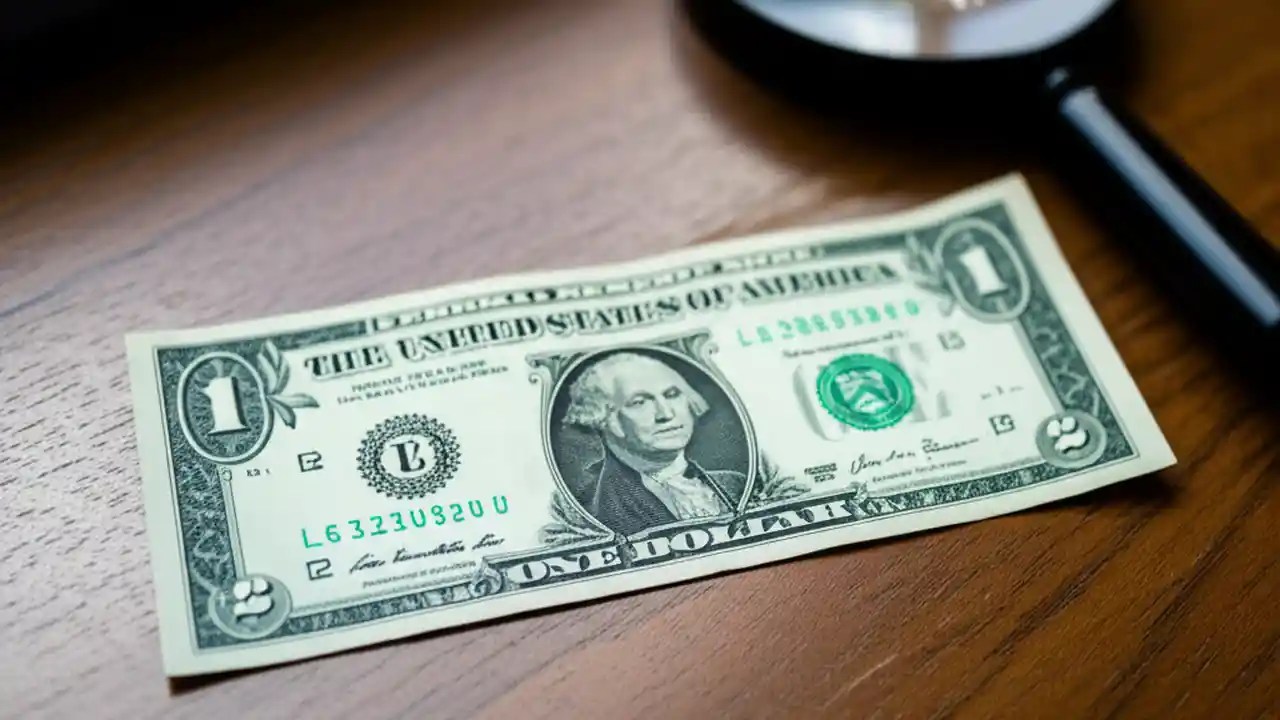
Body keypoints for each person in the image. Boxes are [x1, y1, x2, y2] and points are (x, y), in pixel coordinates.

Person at [562, 352, 746, 535]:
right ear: (604, 418)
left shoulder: (735, 483)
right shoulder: (590, 511)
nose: (665, 414)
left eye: (672, 394)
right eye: (640, 402)